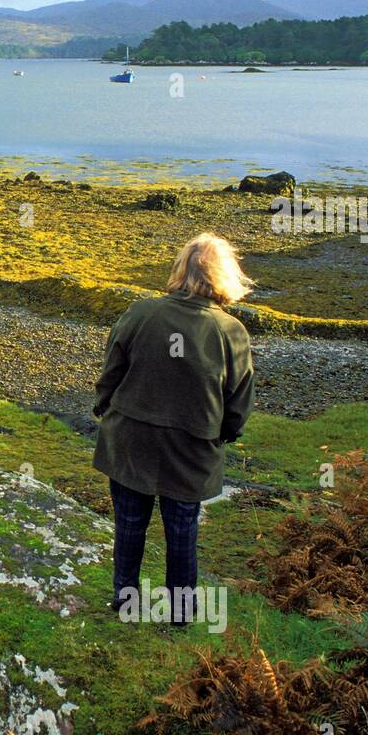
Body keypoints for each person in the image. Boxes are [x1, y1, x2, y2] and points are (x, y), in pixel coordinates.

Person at [92, 233, 255, 625]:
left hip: (131, 440)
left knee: (129, 524)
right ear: (223, 276)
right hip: (192, 447)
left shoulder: (139, 314)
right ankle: (181, 614)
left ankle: (125, 600)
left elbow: (109, 377)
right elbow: (238, 402)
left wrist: (104, 411)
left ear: (181, 269)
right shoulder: (230, 331)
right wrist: (223, 435)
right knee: (182, 531)